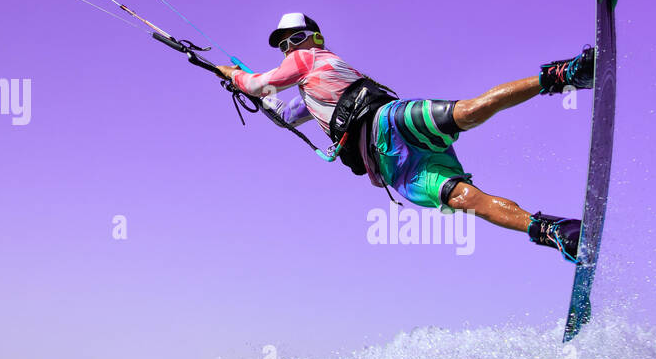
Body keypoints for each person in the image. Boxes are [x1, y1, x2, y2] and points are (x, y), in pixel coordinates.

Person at [214, 13, 594, 261]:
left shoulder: (310, 57)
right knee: (467, 199)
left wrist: (235, 76)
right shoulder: (307, 94)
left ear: (314, 37)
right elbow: (282, 114)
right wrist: (241, 87)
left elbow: (261, 83)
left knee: (468, 111)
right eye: (282, 46)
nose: (288, 49)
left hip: (388, 122)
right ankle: (556, 232)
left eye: (294, 38)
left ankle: (564, 75)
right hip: (391, 166)